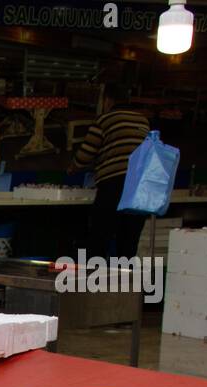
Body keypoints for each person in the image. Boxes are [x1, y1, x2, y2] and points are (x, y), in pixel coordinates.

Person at [72, 84, 151, 260]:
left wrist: (73, 167)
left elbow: (85, 155)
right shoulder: (143, 121)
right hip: (139, 186)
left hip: (114, 183)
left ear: (107, 100)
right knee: (129, 240)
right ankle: (125, 276)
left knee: (100, 236)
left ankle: (94, 274)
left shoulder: (105, 120)